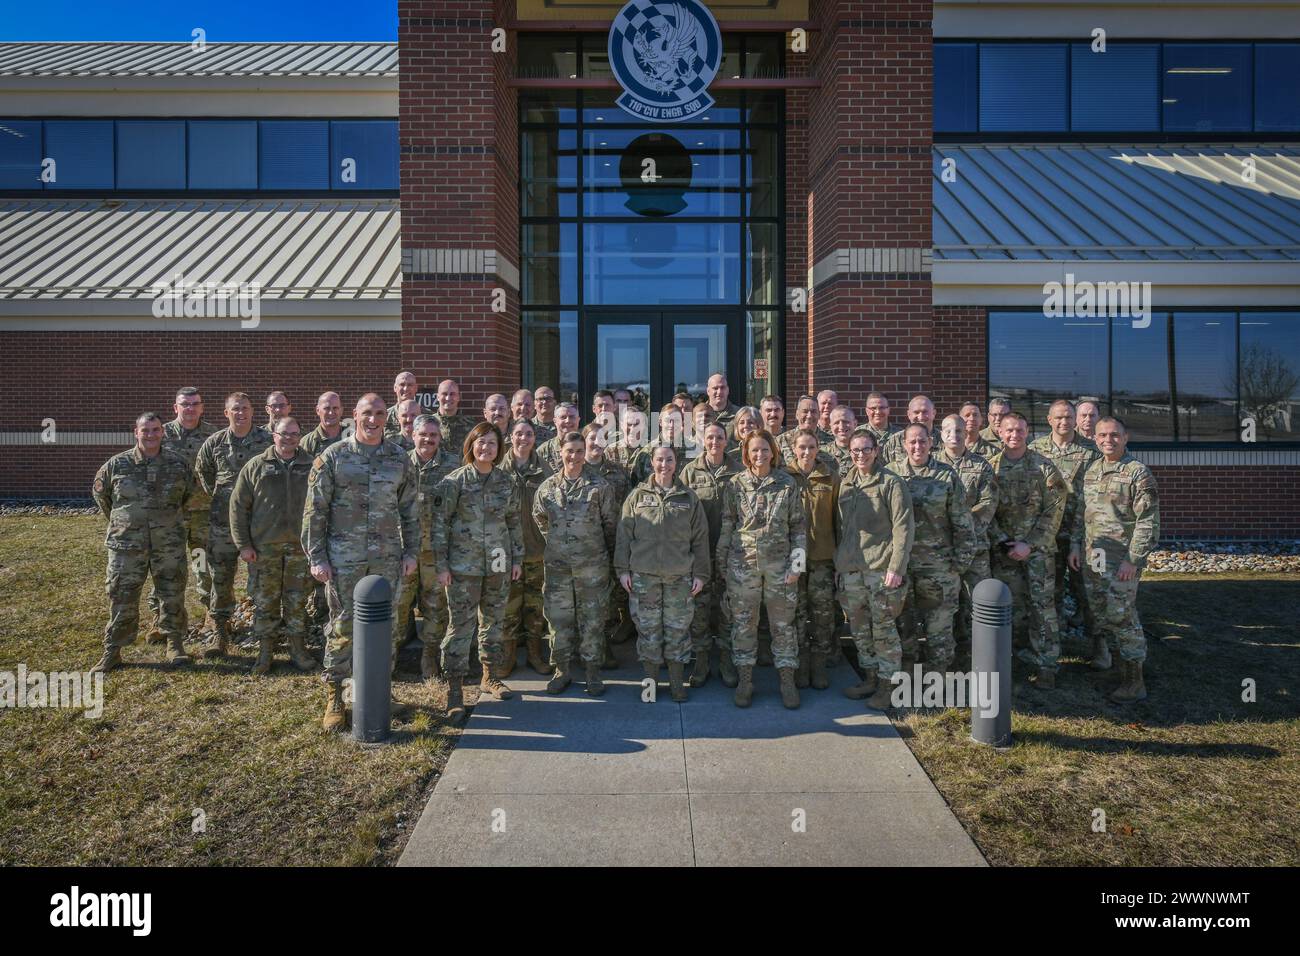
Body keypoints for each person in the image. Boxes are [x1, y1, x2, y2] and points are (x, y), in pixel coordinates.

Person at [303, 394, 420, 731]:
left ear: (389, 417)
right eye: (367, 413)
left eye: (380, 414)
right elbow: (315, 512)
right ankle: (336, 697)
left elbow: (411, 511)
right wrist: (317, 557)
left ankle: (379, 691)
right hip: (344, 559)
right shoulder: (334, 457)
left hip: (387, 558)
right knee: (342, 627)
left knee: (389, 627)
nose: (373, 419)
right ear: (354, 416)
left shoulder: (399, 459)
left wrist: (411, 551)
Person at [91, 412, 195, 672]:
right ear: (135, 432)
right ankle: (112, 650)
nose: (151, 435)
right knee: (121, 596)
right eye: (145, 430)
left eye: (156, 430)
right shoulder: (116, 465)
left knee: (172, 594)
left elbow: (189, 496)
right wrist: (128, 522)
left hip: (168, 543)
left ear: (163, 432)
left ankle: (175, 644)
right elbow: (103, 499)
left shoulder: (178, 465)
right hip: (127, 546)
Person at [433, 422, 523, 719]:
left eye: (492, 444)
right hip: (462, 566)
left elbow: (513, 522)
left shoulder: (505, 482)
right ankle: (455, 689)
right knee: (460, 627)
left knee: (493, 622)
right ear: (471, 445)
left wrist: (516, 560)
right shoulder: (453, 482)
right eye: (481, 442)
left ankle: (489, 676)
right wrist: (442, 565)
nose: (486, 448)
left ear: (499, 450)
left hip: (498, 563)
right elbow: (440, 526)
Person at [1069, 417, 1160, 702]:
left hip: (1121, 561)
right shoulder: (1093, 470)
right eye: (1102, 435)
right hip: (1093, 557)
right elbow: (1081, 513)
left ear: (1125, 437)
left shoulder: (1138, 473)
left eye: (1114, 435)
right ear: (1095, 438)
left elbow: (1148, 522)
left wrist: (1133, 560)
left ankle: (1135, 680)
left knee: (1122, 616)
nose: (1108, 440)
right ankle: (1118, 669)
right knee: (1101, 614)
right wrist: (1074, 545)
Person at [717, 430, 806, 709]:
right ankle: (746, 679)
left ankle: (787, 680)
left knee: (783, 625)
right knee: (744, 624)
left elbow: (799, 527)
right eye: (754, 450)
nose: (759, 455)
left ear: (773, 452)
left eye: (764, 450)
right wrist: (722, 564)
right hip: (743, 566)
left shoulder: (787, 484)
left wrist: (797, 565)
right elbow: (728, 525)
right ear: (746, 454)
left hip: (781, 567)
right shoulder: (735, 484)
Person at [614, 443, 710, 703]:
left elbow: (700, 540)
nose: (664, 465)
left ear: (676, 463)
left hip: (679, 577)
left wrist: (701, 574)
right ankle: (650, 685)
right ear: (651, 463)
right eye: (659, 460)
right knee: (648, 631)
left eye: (669, 460)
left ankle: (677, 683)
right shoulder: (637, 496)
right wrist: (623, 569)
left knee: (677, 630)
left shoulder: (688, 498)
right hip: (644, 576)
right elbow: (624, 535)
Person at [533, 431, 619, 696]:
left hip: (592, 567)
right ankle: (562, 670)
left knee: (592, 620)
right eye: (569, 451)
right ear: (560, 452)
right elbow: (540, 518)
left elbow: (610, 525)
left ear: (585, 453)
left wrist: (592, 548)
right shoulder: (547, 487)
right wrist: (558, 543)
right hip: (558, 567)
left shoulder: (599, 486)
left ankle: (593, 672)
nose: (574, 456)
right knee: (559, 620)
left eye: (579, 451)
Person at [229, 416, 316, 675]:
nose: (288, 438)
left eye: (294, 433)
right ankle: (265, 652)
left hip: (300, 549)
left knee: (297, 601)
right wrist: (244, 545)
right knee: (265, 601)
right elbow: (238, 507)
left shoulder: (312, 465)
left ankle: (298, 650)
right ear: (273, 435)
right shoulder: (256, 466)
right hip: (264, 549)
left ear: (300, 436)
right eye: (283, 433)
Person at [986, 412, 1067, 688]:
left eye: (1019, 430)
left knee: (1042, 607)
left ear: (1027, 431)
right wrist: (1003, 541)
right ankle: (1017, 657)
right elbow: (985, 510)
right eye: (1008, 430)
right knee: (1012, 606)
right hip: (1005, 551)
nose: (1013, 435)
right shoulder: (991, 468)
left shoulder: (1043, 467)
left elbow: (1054, 510)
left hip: (1037, 552)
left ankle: (1046, 664)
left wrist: (1029, 544)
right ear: (999, 432)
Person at [835, 430, 913, 711]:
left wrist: (897, 567)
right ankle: (869, 677)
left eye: (865, 449)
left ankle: (887, 685)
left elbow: (903, 528)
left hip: (880, 569)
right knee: (858, 628)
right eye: (855, 450)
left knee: (883, 630)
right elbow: (841, 528)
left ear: (876, 450)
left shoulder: (891, 483)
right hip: (852, 570)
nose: (860, 455)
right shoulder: (847, 484)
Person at [891, 424, 976, 676]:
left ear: (931, 442)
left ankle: (936, 678)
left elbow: (963, 523)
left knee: (938, 628)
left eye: (922, 441)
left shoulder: (946, 476)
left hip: (939, 567)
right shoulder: (892, 474)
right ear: (904, 444)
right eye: (912, 442)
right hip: (901, 567)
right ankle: (907, 674)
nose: (917, 447)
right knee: (903, 625)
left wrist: (959, 564)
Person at [195, 392, 272, 655]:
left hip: (258, 524)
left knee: (261, 579)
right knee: (221, 578)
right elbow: (203, 471)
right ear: (226, 413)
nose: (241, 413)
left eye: (245, 409)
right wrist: (221, 498)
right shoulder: (215, 442)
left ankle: (264, 635)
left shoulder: (267, 440)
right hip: (222, 525)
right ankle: (220, 634)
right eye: (235, 409)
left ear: (253, 412)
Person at [147, 386, 217, 642]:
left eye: (194, 404)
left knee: (204, 566)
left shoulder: (213, 436)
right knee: (167, 566)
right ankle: (162, 618)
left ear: (202, 407)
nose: (190, 408)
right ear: (175, 407)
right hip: (171, 516)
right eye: (184, 404)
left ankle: (212, 615)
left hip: (202, 516)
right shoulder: (159, 434)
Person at [393, 415, 460, 683]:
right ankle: (391, 657)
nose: (428, 440)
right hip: (404, 549)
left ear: (440, 438)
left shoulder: (453, 465)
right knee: (398, 606)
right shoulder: (398, 463)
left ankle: (429, 656)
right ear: (412, 435)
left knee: (436, 607)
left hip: (436, 550)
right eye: (423, 434)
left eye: (433, 435)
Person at [679, 420, 742, 687]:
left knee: (729, 610)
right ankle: (702, 660)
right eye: (710, 438)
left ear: (727, 441)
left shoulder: (738, 471)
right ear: (703, 441)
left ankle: (726, 660)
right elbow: (680, 513)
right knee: (700, 610)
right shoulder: (690, 472)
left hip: (731, 552)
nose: (714, 442)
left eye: (719, 438)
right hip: (700, 553)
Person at [1030, 399, 1101, 636]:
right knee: (1051, 588)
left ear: (1075, 420)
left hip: (1083, 533)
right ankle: (1054, 640)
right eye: (1058, 417)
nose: (1064, 422)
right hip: (1048, 533)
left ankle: (1100, 645)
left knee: (1090, 590)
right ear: (1049, 420)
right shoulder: (1035, 450)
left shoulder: (1091, 452)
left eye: (1068, 417)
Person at [934, 414, 998, 647]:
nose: (954, 435)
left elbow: (988, 504)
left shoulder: (981, 466)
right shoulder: (932, 465)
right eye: (948, 430)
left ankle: (981, 654)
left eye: (959, 431)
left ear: (967, 434)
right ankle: (950, 654)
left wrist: (963, 529)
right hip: (941, 550)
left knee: (978, 603)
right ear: (940, 434)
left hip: (974, 549)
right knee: (945, 606)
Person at [499, 418, 553, 677]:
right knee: (508, 606)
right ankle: (508, 656)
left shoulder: (545, 470)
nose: (523, 438)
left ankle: (534, 653)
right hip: (505, 552)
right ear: (510, 436)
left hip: (536, 550)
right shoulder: (498, 468)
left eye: (529, 434)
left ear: (535, 438)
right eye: (519, 433)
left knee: (535, 607)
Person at [786, 429, 839, 690]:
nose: (806, 452)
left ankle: (818, 665)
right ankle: (800, 665)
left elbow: (839, 519)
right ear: (793, 449)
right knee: (796, 612)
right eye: (801, 447)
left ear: (818, 449)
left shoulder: (830, 477)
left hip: (821, 556)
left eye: (811, 447)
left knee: (823, 613)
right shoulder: (785, 477)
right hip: (793, 557)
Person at [881, 395, 940, 466]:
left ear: (933, 413)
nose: (921, 417)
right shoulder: (895, 441)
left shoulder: (944, 440)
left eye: (925, 412)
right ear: (909, 414)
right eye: (916, 412)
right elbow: (883, 470)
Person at [537, 402, 580, 471]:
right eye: (563, 417)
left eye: (572, 417)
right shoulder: (544, 450)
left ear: (578, 420)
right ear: (555, 421)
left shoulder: (587, 447)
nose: (568, 421)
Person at [435, 379, 475, 452]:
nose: (448, 398)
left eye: (452, 394)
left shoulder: (471, 424)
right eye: (444, 394)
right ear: (438, 397)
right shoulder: (429, 422)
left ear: (458, 397)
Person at [301, 391, 346, 456]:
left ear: (341, 411)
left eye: (335, 408)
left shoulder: (353, 435)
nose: (331, 412)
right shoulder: (307, 442)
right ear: (318, 410)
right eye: (327, 408)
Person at [776, 395, 817, 462]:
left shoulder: (830, 440)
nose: (809, 416)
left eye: (813, 411)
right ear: (797, 414)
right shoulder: (781, 440)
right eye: (805, 411)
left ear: (819, 414)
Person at [820, 405, 858, 474]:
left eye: (846, 422)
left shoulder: (865, 452)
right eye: (836, 423)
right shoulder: (821, 453)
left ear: (855, 424)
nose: (841, 426)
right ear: (830, 426)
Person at [386, 371, 418, 436]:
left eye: (410, 385)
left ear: (416, 388)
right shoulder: (385, 416)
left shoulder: (427, 415)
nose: (405, 388)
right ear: (395, 388)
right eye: (402, 385)